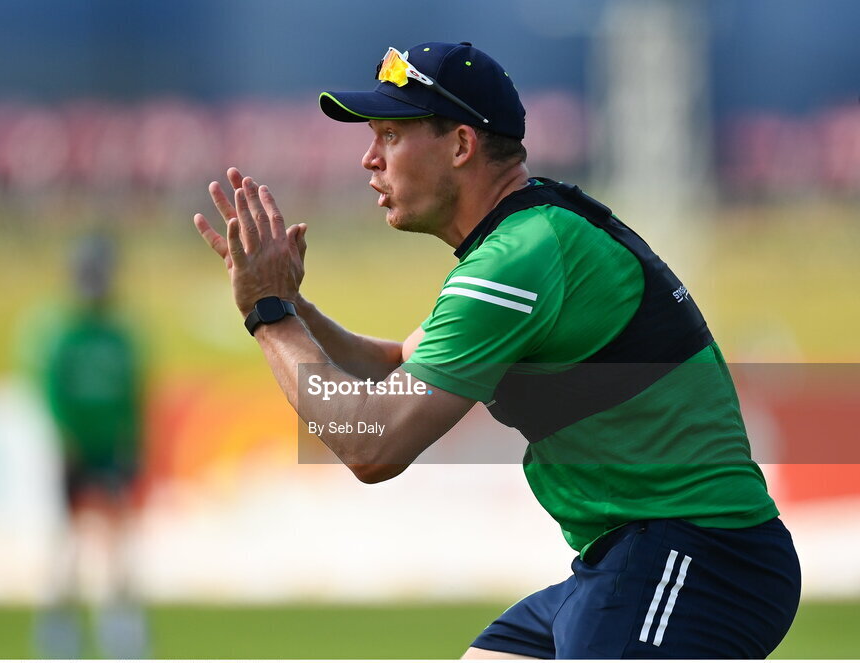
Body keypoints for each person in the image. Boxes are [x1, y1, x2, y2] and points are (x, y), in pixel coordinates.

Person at [193, 42, 800, 659]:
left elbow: (373, 445)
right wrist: (289, 305)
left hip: (703, 555)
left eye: (391, 136)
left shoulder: (518, 258)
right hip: (637, 554)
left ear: (461, 145)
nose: (369, 158)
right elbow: (394, 369)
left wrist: (268, 316)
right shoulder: (525, 236)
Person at [20, 234, 149, 658]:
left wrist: (131, 445)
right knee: (69, 544)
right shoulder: (63, 334)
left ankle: (121, 630)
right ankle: (59, 631)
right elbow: (52, 395)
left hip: (112, 450)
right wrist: (66, 442)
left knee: (118, 542)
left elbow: (133, 396)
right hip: (74, 451)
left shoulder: (119, 336)